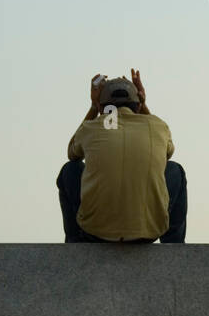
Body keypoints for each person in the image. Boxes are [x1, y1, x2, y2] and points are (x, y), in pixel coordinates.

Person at [57, 69, 187, 243]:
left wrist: (93, 108)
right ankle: (174, 248)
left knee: (70, 169)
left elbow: (72, 153)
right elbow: (168, 152)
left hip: (95, 232)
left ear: (103, 108)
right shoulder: (158, 126)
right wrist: (144, 104)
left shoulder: (91, 127)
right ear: (138, 105)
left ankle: (75, 244)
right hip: (147, 232)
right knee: (174, 170)